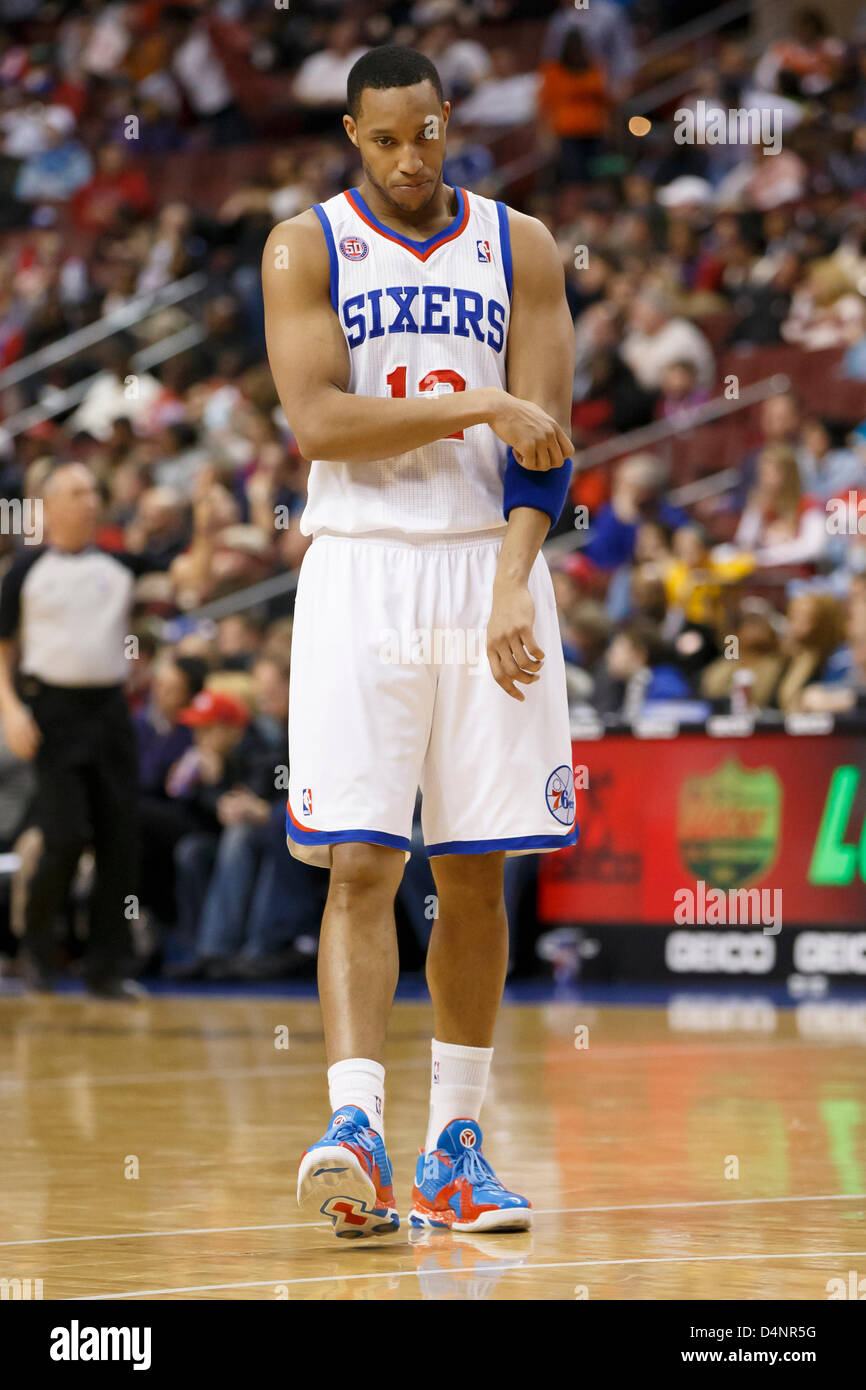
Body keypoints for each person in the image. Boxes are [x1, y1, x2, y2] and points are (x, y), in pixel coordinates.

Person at [263, 45, 577, 1238]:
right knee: (358, 864)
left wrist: (513, 578)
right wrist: (475, 402)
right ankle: (354, 1129)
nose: (409, 158)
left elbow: (543, 440)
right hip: (360, 566)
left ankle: (456, 1146)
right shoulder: (302, 245)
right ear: (352, 131)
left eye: (427, 133)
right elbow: (322, 421)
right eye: (385, 138)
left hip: (482, 568)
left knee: (473, 872)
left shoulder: (523, 245)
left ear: (448, 123)